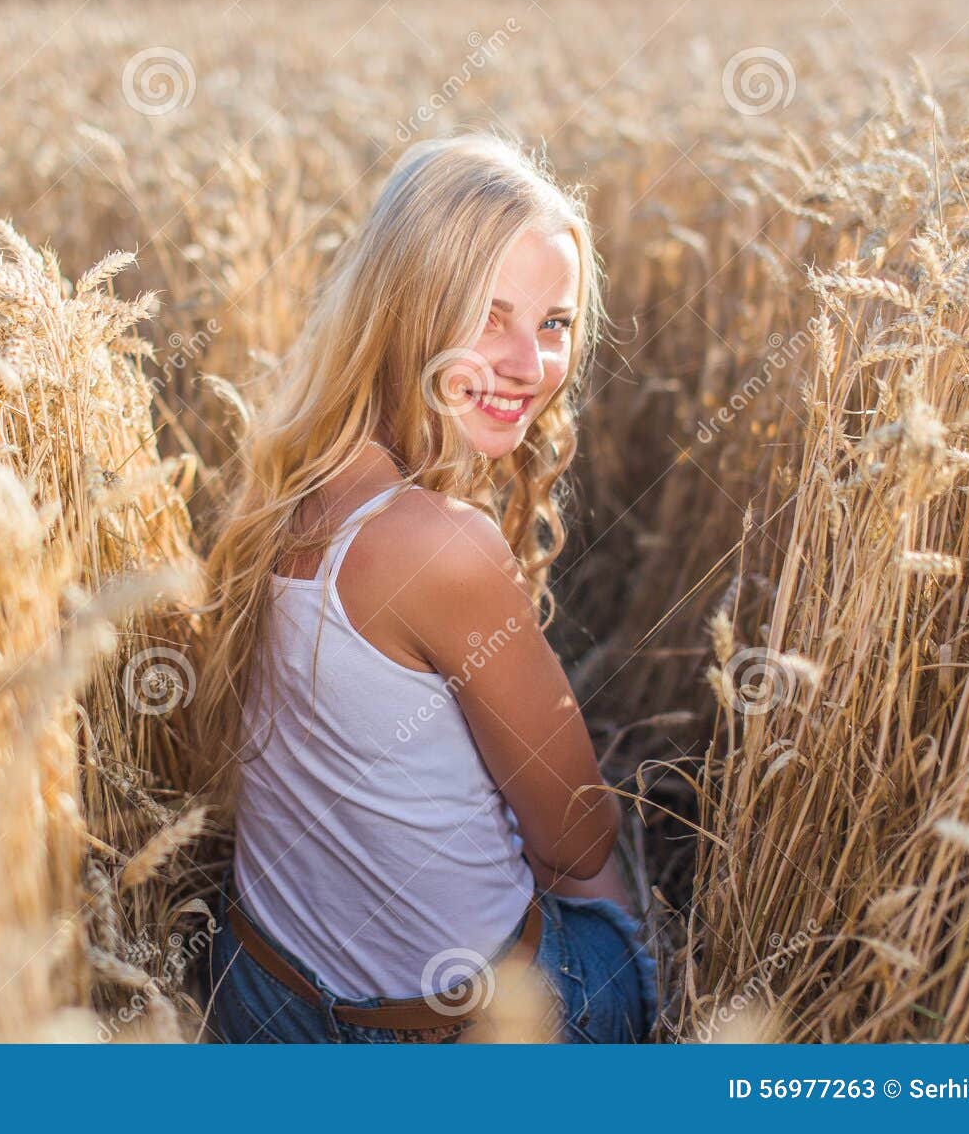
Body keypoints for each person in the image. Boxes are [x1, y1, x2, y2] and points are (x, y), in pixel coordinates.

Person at [190, 133, 659, 1043]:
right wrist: (641, 982)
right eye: (490, 315)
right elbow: (575, 843)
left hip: (258, 993)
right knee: (622, 927)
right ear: (408, 310)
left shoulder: (290, 486)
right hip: (449, 1036)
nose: (530, 364)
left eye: (555, 323)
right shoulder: (442, 546)